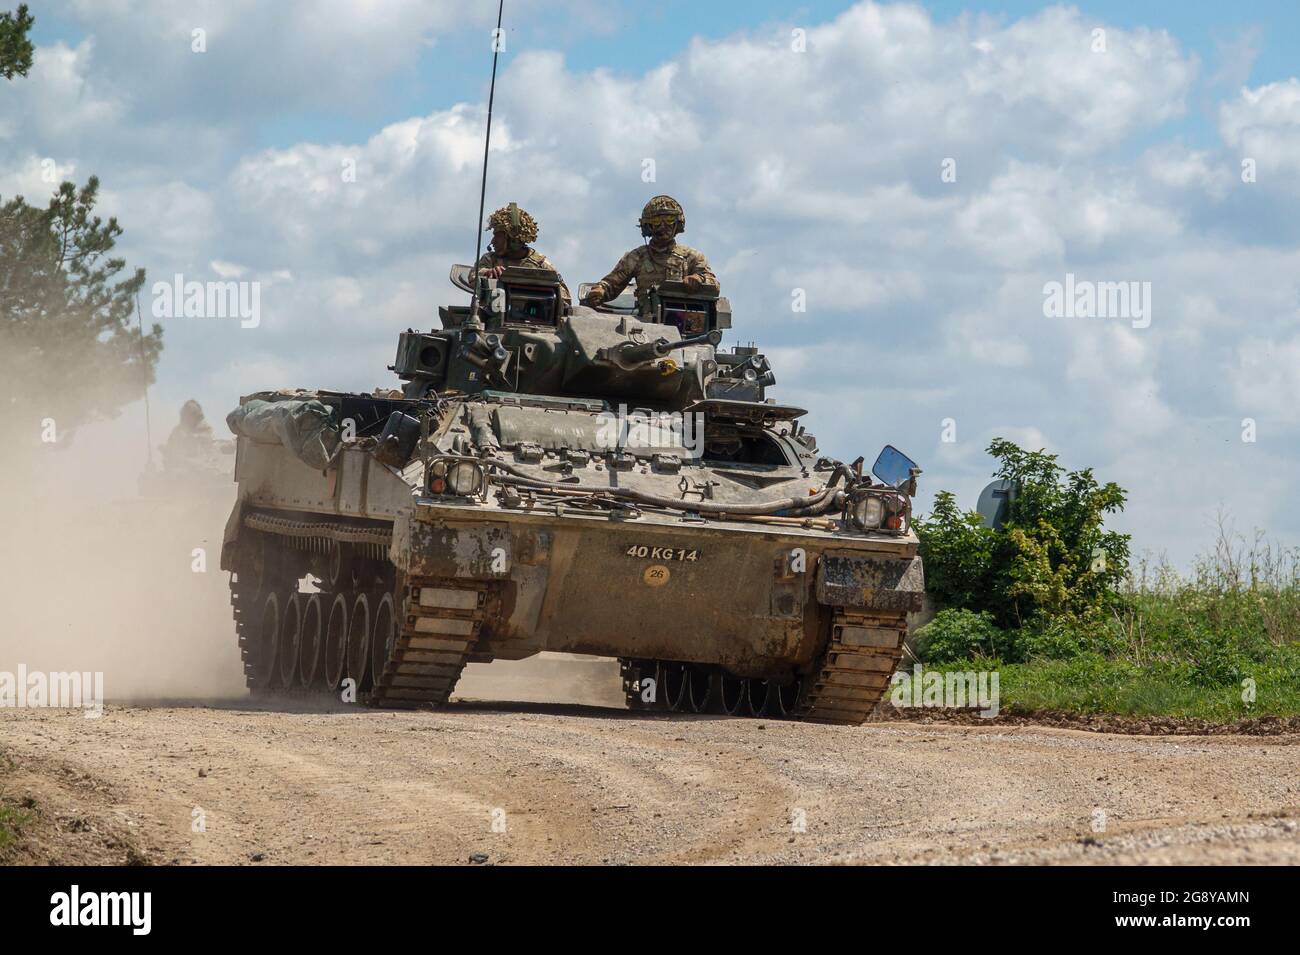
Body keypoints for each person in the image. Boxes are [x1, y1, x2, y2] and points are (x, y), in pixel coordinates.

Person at [582, 195, 718, 313]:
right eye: (657, 221)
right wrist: (600, 290)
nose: (663, 226)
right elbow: (612, 284)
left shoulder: (692, 257)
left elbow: (714, 284)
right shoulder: (636, 257)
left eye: (669, 220)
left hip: (683, 325)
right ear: (648, 226)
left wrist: (699, 279)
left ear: (677, 223)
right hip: (645, 323)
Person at [475, 202, 571, 305]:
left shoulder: (541, 265)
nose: (493, 241)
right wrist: (488, 272)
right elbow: (473, 276)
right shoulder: (490, 259)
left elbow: (565, 300)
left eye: (497, 236)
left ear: (513, 240)